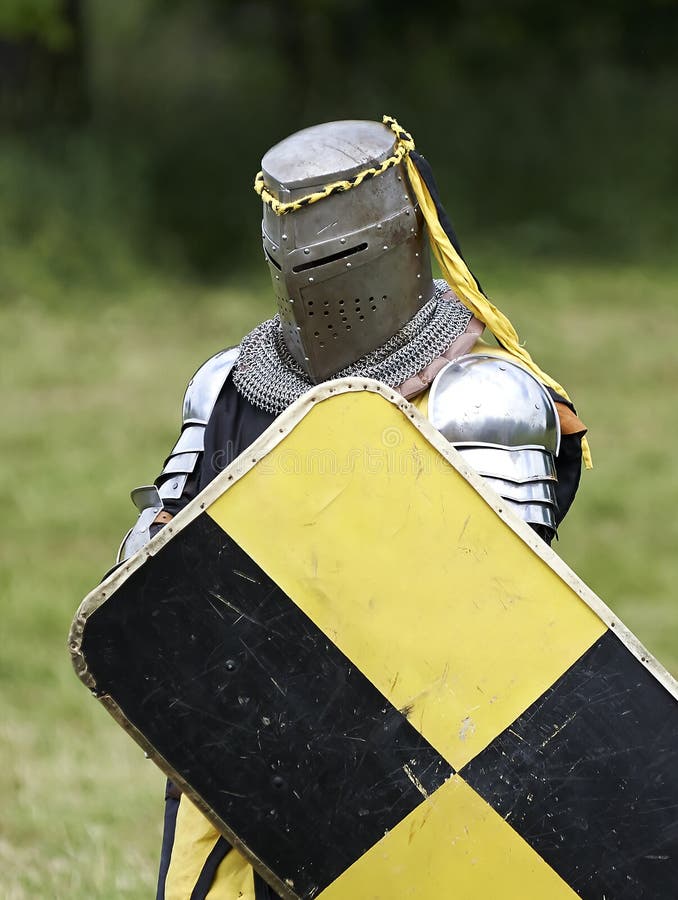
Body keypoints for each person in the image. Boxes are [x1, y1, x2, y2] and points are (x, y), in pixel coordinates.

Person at [117, 116, 589, 899]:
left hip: (430, 771)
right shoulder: (228, 389)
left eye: (338, 257)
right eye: (296, 259)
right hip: (247, 764)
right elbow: (143, 593)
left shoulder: (479, 402)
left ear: (402, 242)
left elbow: (503, 629)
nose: (316, 283)